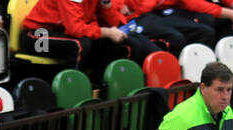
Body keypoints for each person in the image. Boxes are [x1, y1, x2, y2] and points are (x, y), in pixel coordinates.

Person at [19, 0, 151, 77]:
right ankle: (69, 90)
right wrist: (105, 32)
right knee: (81, 45)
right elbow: (75, 29)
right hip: (36, 36)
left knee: (111, 43)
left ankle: (100, 87)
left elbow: (114, 24)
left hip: (62, 33)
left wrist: (106, 4)